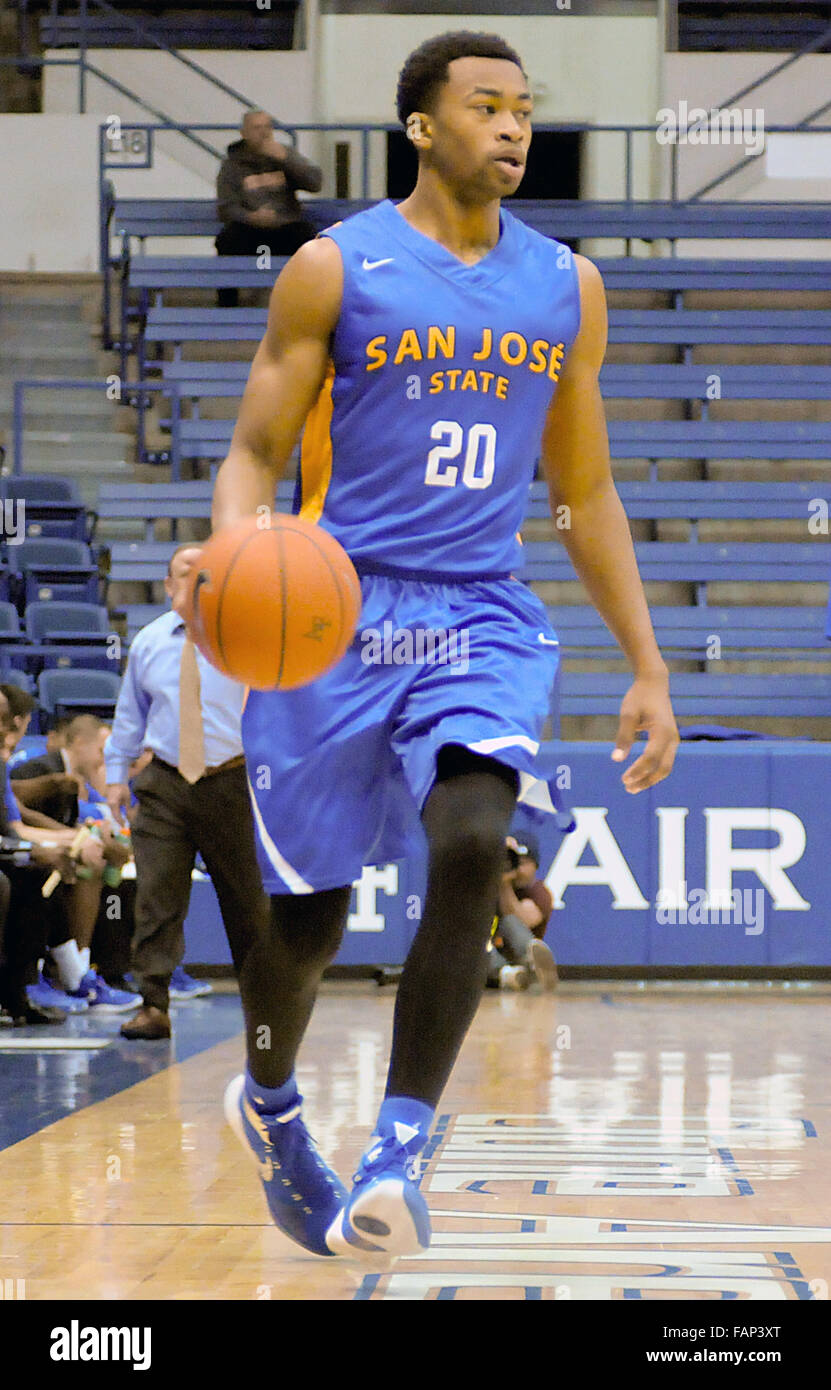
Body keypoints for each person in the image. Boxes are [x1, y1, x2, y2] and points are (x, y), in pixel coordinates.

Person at [178, 30, 679, 1262]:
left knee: (470, 839)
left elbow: (585, 489)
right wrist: (232, 546)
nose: (512, 127)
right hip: (337, 613)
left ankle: (399, 1147)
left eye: (525, 108)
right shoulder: (333, 268)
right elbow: (254, 448)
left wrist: (648, 662)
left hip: (476, 611)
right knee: (305, 930)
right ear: (421, 126)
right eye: (486, 106)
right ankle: (273, 1102)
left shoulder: (567, 286)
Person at [104, 544, 269, 1040]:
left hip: (234, 780)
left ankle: (265, 1005)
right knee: (156, 897)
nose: (194, 581)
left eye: (205, 574)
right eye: (184, 574)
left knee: (248, 901)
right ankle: (153, 1004)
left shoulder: (246, 636)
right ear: (170, 585)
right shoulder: (150, 642)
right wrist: (116, 774)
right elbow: (130, 714)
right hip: (164, 783)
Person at [215, 109, 323, 307]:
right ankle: (226, 311)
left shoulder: (284, 156)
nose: (264, 133)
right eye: (257, 128)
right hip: (250, 230)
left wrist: (287, 159)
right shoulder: (231, 166)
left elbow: (315, 183)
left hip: (285, 228)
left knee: (310, 240)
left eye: (268, 127)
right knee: (226, 240)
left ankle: (311, 306)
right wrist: (251, 217)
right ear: (244, 133)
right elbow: (226, 207)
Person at [487, 832, 557, 991]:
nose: (517, 870)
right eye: (513, 862)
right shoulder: (486, 889)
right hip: (487, 961)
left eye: (523, 863)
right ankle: (510, 976)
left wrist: (504, 885)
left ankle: (533, 965)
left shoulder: (539, 891)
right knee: (478, 945)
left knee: (510, 921)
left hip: (519, 957)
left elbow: (526, 919)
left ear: (535, 866)